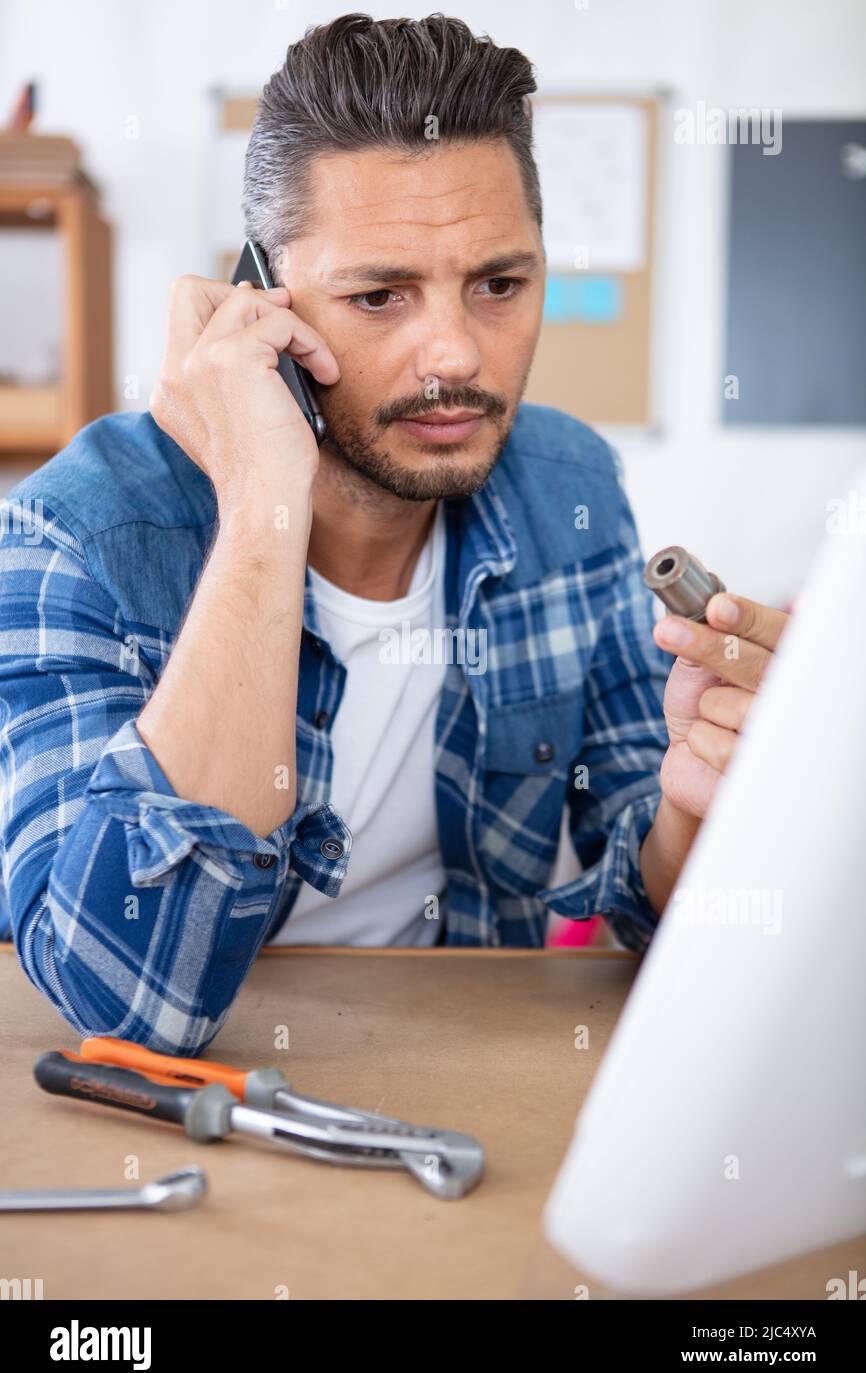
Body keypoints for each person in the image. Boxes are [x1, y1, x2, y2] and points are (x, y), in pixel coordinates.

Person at [0, 14, 788, 1055]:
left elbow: (640, 893)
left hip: (466, 1070)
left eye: (498, 285)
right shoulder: (71, 534)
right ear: (258, 301)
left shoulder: (566, 486)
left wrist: (695, 807)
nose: (456, 355)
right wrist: (260, 506)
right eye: (378, 296)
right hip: (202, 1091)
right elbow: (134, 998)